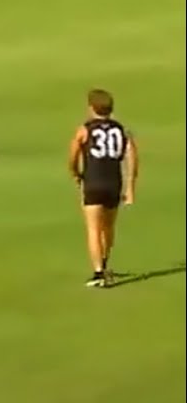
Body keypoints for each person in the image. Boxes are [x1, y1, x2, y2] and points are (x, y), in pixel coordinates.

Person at [66, 89, 139, 288]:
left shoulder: (85, 129)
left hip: (93, 183)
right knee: (108, 227)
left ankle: (98, 272)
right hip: (114, 183)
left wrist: (75, 174)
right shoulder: (122, 130)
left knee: (93, 229)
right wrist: (130, 187)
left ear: (91, 108)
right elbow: (133, 158)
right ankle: (105, 264)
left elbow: (73, 156)